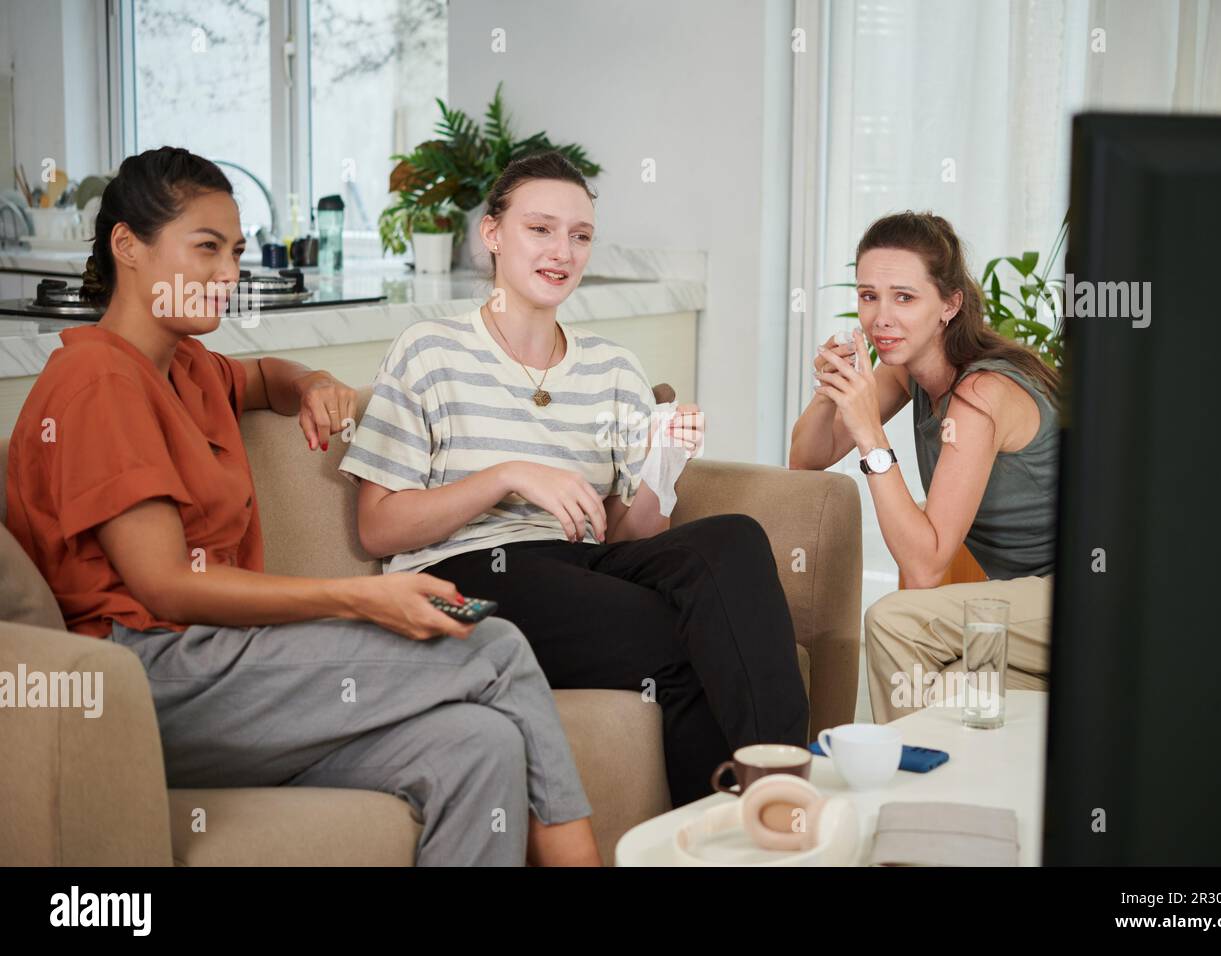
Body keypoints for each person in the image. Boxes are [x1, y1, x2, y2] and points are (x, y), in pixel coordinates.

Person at [3, 146, 598, 866]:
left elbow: (261, 379)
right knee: (493, 648)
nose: (230, 274)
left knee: (480, 746)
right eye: (207, 249)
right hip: (143, 678)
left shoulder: (185, 365)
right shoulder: (98, 382)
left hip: (219, 671)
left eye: (236, 251)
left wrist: (312, 381)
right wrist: (359, 599)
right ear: (128, 246)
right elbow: (166, 584)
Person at [341, 151, 809, 806]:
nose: (562, 250)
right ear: (493, 233)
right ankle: (775, 812)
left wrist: (660, 469)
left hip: (579, 570)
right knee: (708, 638)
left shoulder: (613, 369)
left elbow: (627, 534)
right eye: (540, 229)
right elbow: (375, 526)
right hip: (463, 578)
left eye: (580, 235)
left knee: (733, 538)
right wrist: (509, 475)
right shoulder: (429, 352)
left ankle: (770, 802)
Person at [789, 211, 1058, 724]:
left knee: (894, 621)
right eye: (869, 296)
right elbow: (806, 458)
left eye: (904, 297)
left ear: (949, 305)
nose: (881, 318)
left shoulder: (982, 394)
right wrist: (834, 390)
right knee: (953, 693)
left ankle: (907, 776)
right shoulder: (908, 373)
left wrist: (870, 432)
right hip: (1027, 607)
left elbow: (927, 563)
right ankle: (948, 794)